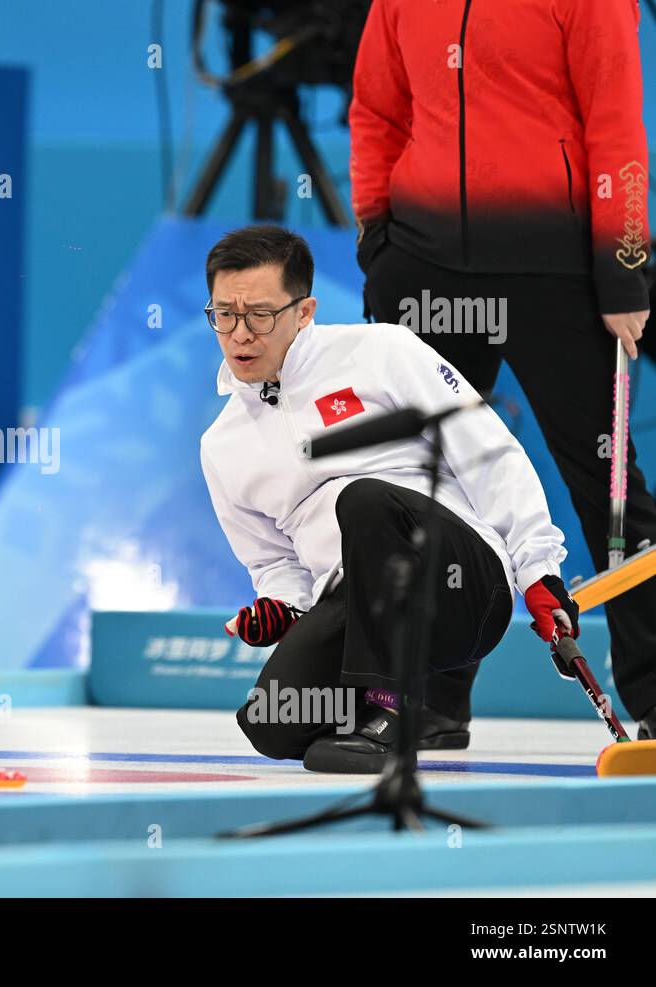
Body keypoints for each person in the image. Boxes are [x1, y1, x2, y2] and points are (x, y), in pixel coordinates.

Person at [351, 0, 655, 742]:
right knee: (428, 484)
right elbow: (374, 111)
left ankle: (653, 693)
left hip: (555, 270)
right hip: (426, 268)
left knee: (607, 483)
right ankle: (429, 697)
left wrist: (624, 272)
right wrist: (376, 238)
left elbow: (616, 129)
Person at [201, 226, 579, 772]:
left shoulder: (381, 351)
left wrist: (538, 570)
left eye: (260, 315)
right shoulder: (222, 445)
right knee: (272, 724)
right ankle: (369, 716)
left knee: (364, 500)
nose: (241, 334)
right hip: (360, 609)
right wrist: (281, 610)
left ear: (304, 311)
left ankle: (390, 712)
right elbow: (276, 562)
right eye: (224, 315)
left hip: (462, 587)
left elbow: (489, 451)